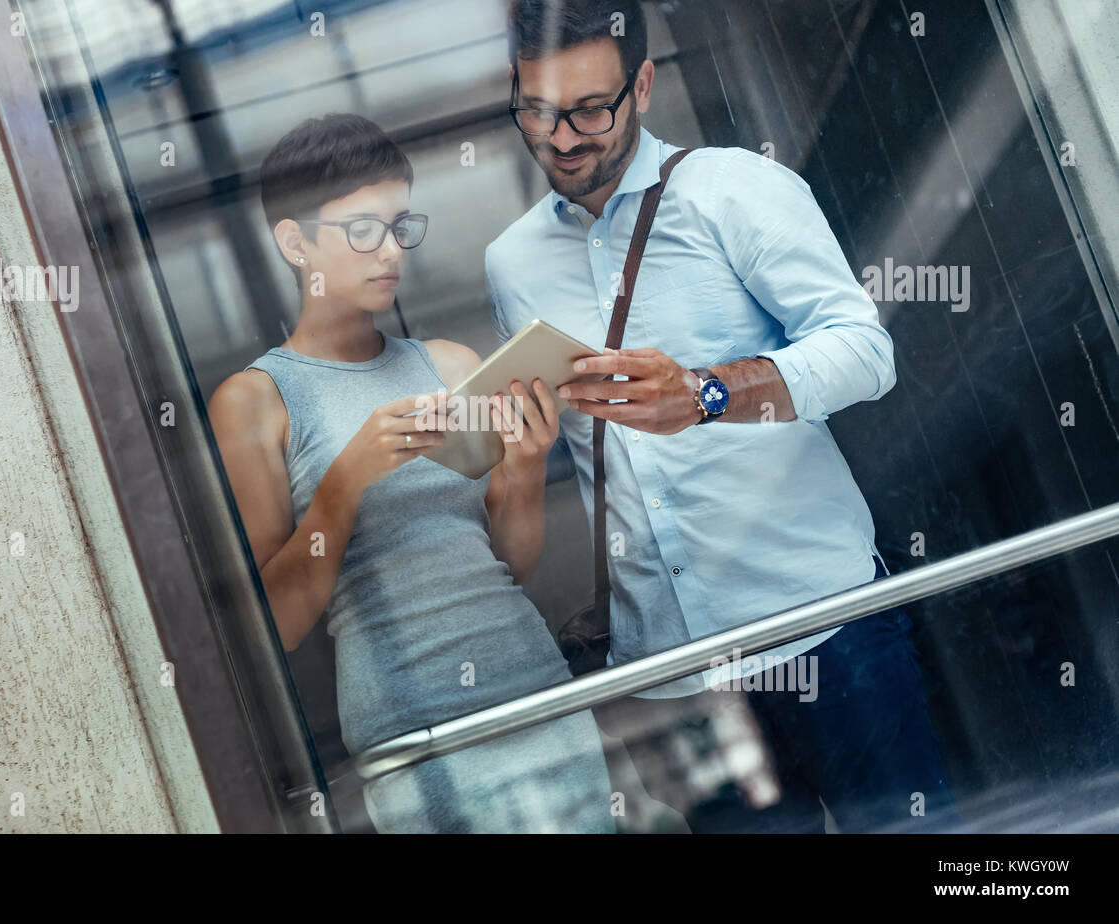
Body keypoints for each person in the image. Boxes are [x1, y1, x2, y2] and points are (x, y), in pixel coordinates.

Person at [485, 0, 959, 832]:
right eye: (537, 110)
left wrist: (706, 395)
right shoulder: (510, 264)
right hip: (675, 677)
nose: (561, 138)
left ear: (643, 86)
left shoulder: (733, 188)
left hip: (827, 628)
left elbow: (863, 352)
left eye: (591, 110)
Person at [210, 113, 615, 833]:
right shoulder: (256, 401)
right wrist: (345, 479)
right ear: (294, 241)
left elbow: (511, 566)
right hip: (410, 724)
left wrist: (521, 471)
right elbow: (281, 623)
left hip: (532, 685)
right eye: (362, 230)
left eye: (401, 225)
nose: (390, 250)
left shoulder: (450, 365)